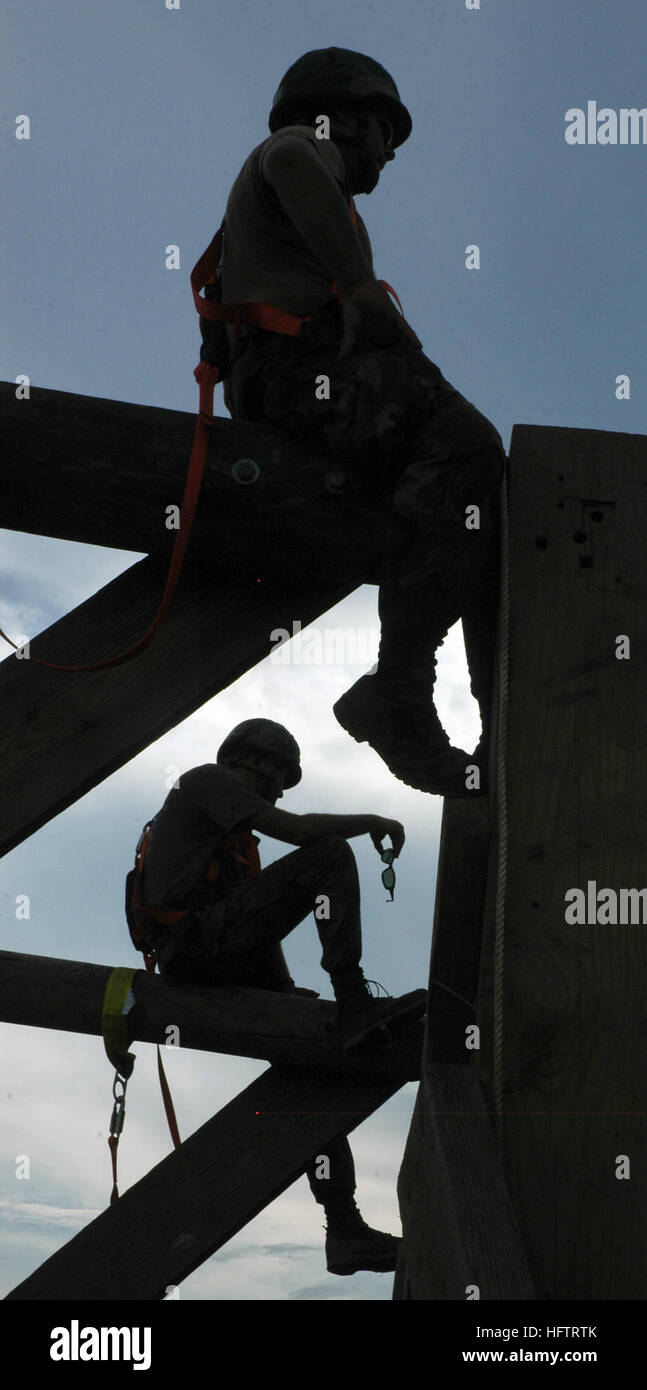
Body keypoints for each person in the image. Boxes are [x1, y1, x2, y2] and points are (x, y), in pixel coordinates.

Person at [204, 47, 507, 797]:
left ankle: (488, 704)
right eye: (383, 132)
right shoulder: (301, 147)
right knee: (469, 447)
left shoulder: (293, 207)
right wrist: (360, 289)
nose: (389, 153)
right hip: (300, 378)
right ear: (341, 117)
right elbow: (292, 164)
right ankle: (402, 690)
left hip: (297, 381)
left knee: (474, 508)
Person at [133, 718, 424, 1276]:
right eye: (277, 778)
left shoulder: (235, 845)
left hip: (212, 947)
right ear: (256, 762)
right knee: (330, 853)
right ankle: (355, 998)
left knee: (313, 1069)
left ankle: (344, 1228)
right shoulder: (205, 781)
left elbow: (253, 925)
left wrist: (295, 1006)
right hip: (194, 947)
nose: (276, 792)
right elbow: (300, 832)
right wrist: (369, 820)